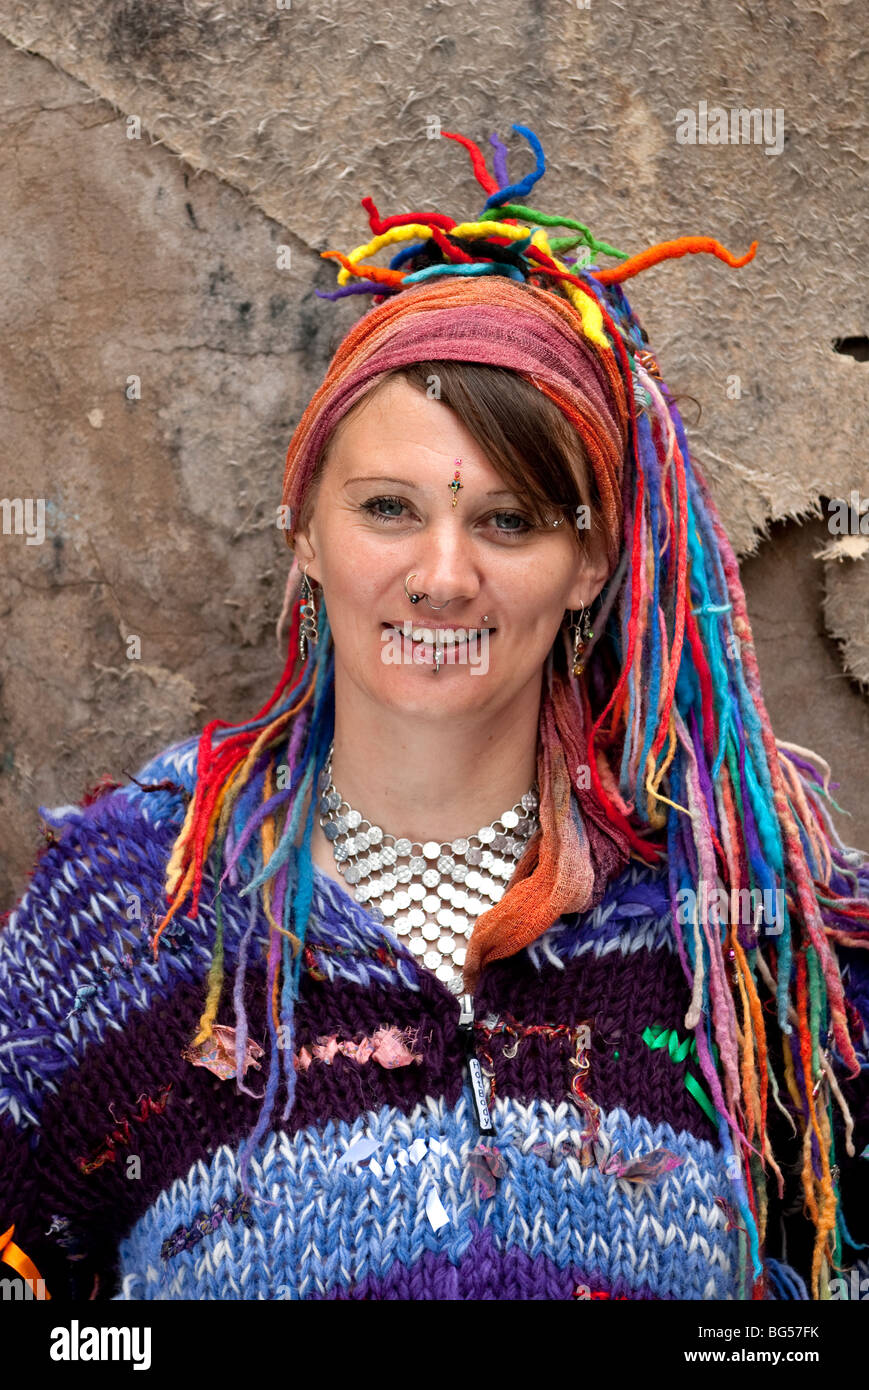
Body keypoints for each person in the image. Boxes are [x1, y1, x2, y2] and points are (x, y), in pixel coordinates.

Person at [1, 125, 866, 1303]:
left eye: (507, 522)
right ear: (304, 533)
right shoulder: (132, 910)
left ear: (591, 562)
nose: (443, 574)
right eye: (388, 509)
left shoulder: (741, 923)